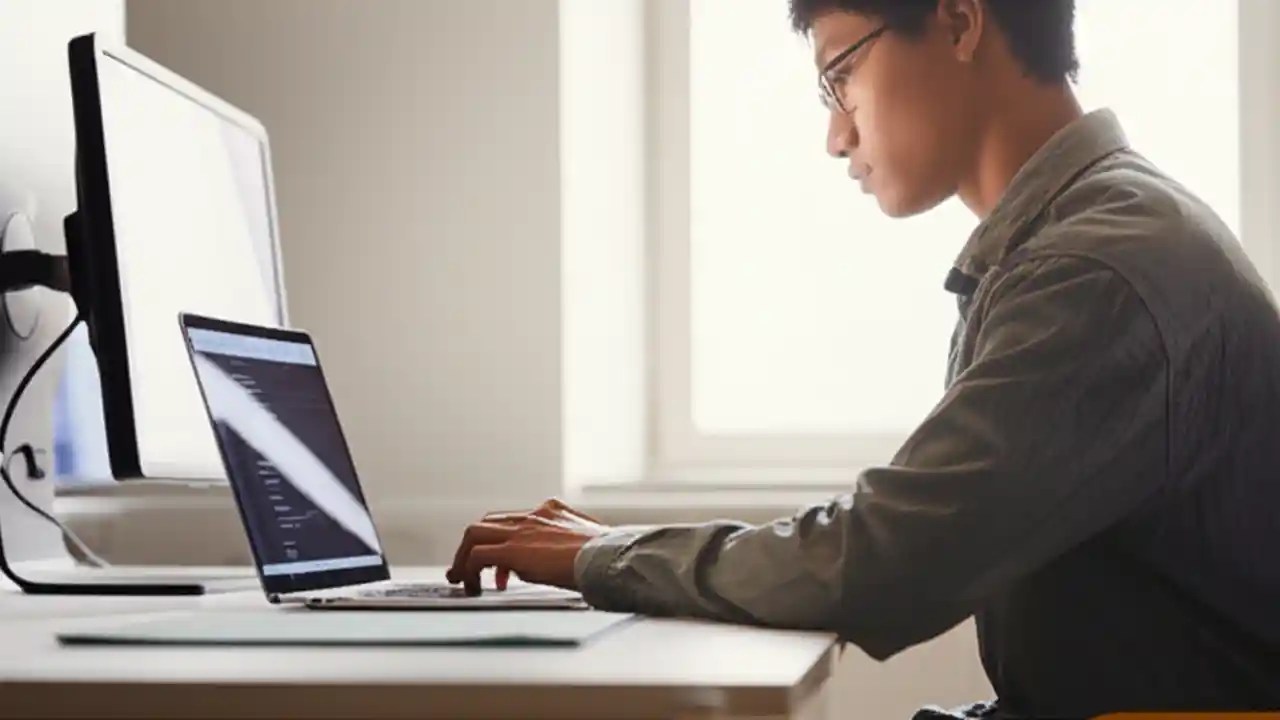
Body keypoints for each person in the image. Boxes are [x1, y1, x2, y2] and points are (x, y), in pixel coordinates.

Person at [446, 0, 1280, 716]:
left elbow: (882, 564)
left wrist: (605, 557)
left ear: (957, 21)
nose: (836, 135)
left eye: (839, 75)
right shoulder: (1094, 236)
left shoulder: (1094, 272)